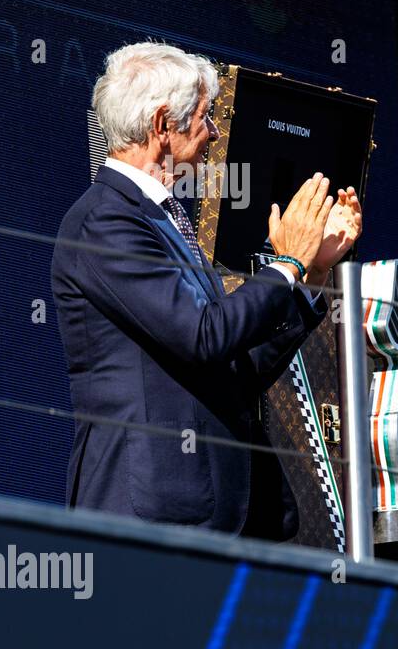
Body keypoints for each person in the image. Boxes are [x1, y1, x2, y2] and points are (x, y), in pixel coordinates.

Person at [51, 41, 362, 533]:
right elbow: (204, 335)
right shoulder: (105, 221)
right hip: (151, 517)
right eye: (203, 117)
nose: (215, 133)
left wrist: (312, 274)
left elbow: (233, 367)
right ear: (161, 127)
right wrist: (286, 263)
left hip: (214, 516)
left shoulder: (166, 222)